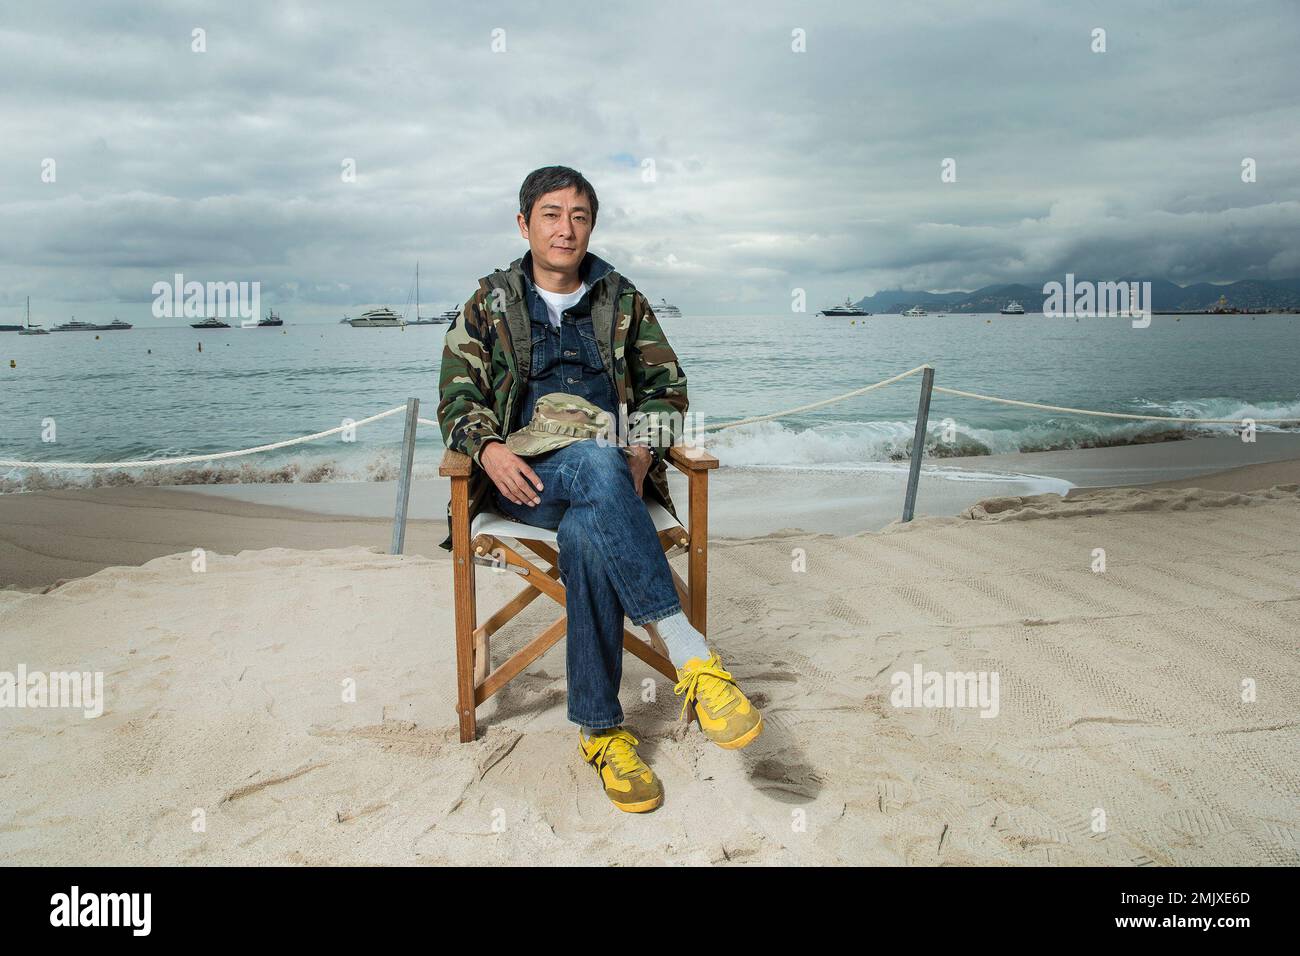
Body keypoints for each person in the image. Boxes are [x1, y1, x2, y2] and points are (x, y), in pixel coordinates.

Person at [437, 165, 763, 812]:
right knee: (592, 462)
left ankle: (602, 733)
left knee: (589, 527)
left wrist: (642, 447)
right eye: (552, 214)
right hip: (526, 475)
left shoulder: (622, 299)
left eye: (580, 215)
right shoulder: (489, 302)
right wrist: (489, 448)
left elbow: (668, 392)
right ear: (524, 222)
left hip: (614, 475)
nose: (566, 227)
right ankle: (692, 658)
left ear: (591, 225)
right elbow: (456, 396)